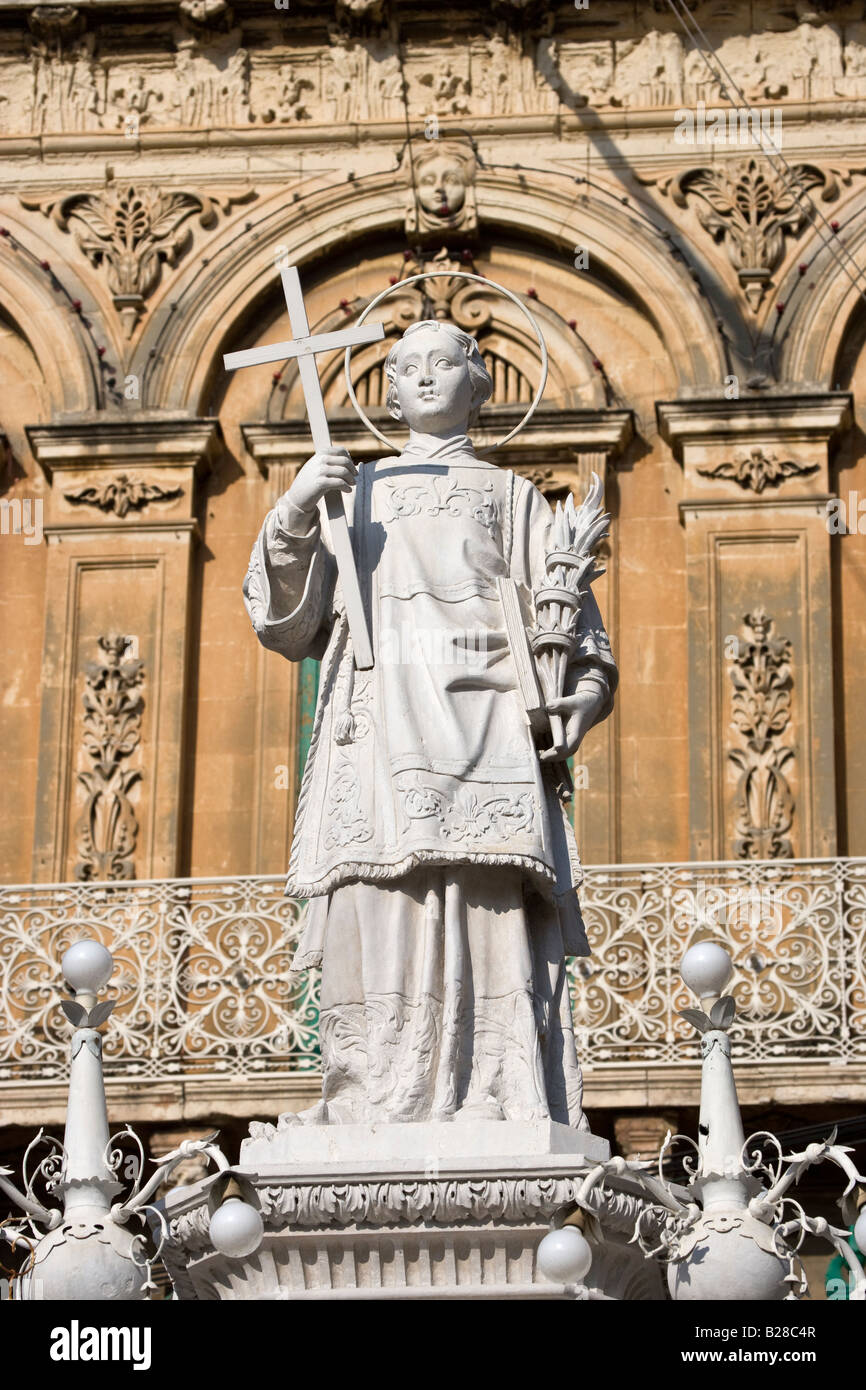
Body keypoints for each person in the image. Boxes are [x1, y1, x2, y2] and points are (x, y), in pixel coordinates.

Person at [243, 318, 617, 1127]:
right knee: (374, 898)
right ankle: (367, 1093)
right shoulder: (355, 495)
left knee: (481, 902)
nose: (420, 378)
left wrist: (577, 705)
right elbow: (283, 622)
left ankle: (496, 1088)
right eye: (404, 367)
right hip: (378, 728)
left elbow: (576, 632)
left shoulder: (516, 499)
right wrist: (300, 503)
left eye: (441, 362)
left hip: (487, 728)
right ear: (389, 391)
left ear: (477, 381)